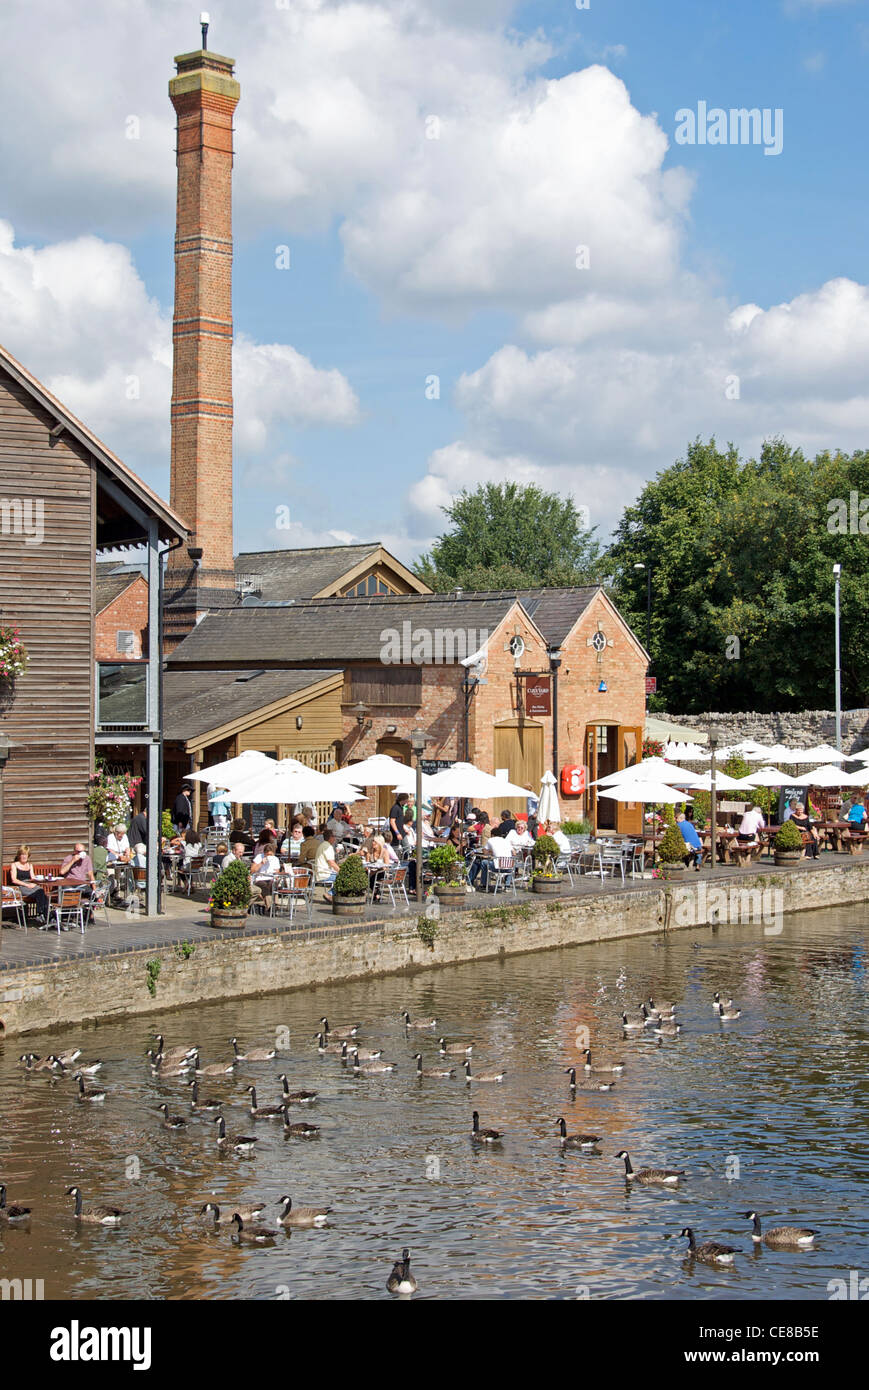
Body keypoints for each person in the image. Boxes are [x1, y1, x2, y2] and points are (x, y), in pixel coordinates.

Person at [9, 845, 50, 924]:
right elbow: (14, 880)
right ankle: (43, 915)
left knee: (42, 892)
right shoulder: (14, 865)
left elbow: (33, 878)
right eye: (22, 854)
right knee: (39, 893)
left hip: (30, 884)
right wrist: (26, 885)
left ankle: (43, 915)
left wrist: (37, 881)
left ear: (28, 855)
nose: (24, 856)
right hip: (21, 886)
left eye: (26, 854)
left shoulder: (30, 865)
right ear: (19, 855)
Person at [314, 829, 340, 900]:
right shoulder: (328, 847)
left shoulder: (322, 845)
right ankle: (330, 894)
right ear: (330, 837)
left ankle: (333, 895)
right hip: (324, 874)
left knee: (340, 876)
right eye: (333, 836)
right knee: (343, 878)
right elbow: (331, 863)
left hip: (320, 872)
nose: (334, 838)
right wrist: (341, 871)